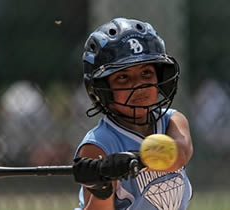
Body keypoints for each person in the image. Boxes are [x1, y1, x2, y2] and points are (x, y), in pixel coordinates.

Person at [73, 17, 192, 210]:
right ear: (103, 89)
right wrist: (100, 186)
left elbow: (180, 154)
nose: (139, 84)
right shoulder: (100, 144)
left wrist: (137, 158)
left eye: (146, 73)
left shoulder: (172, 120)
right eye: (123, 77)